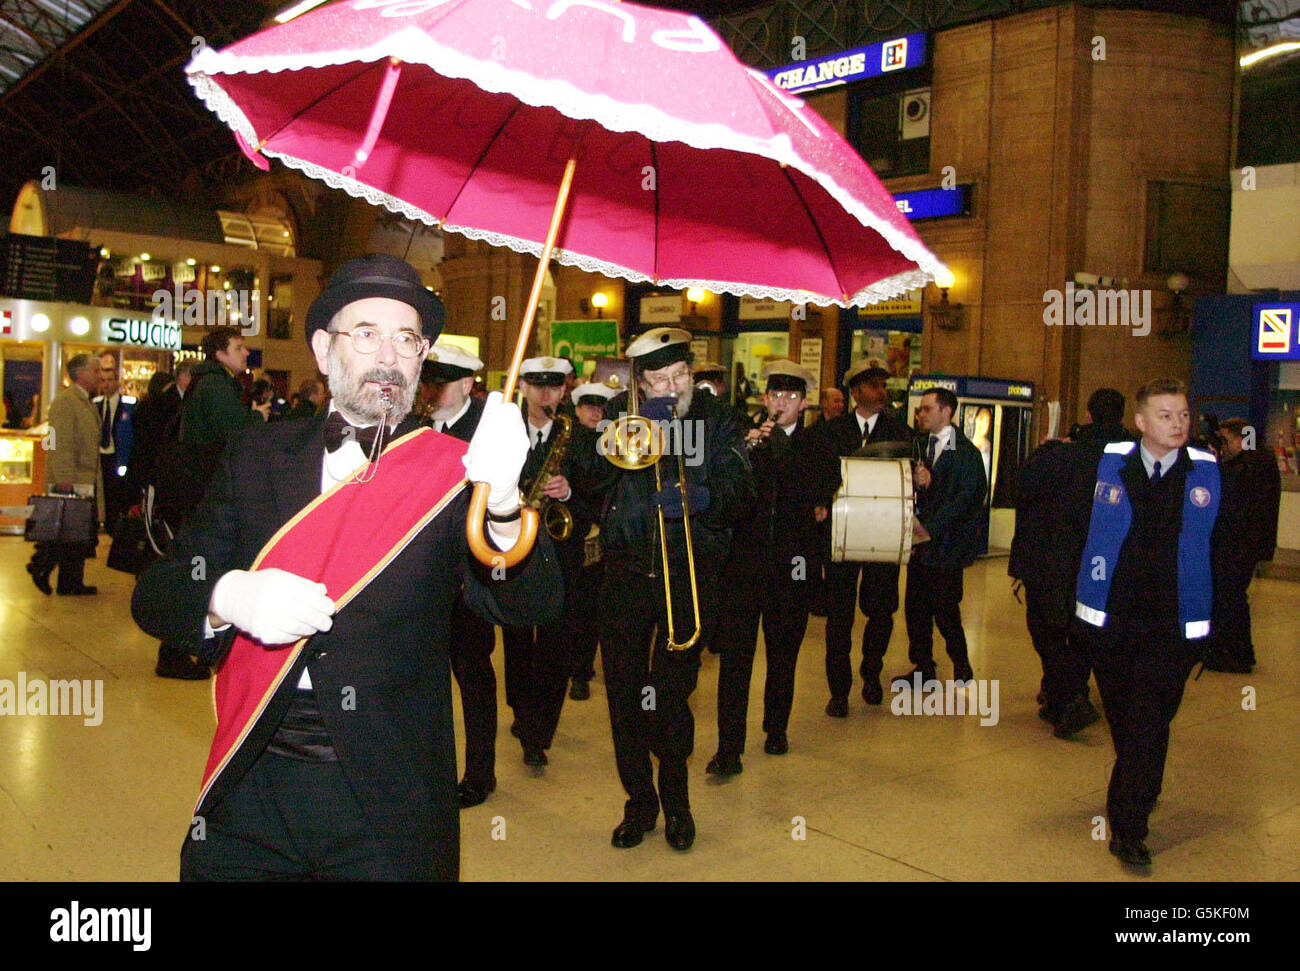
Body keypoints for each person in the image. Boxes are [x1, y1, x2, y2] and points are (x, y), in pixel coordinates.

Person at [131, 253, 562, 881]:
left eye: (406, 338)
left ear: (423, 359)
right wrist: (227, 595)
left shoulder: (456, 474)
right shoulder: (258, 453)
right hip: (255, 783)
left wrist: (502, 504)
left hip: (390, 800)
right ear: (322, 349)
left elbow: (531, 604)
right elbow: (159, 593)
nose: (388, 355)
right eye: (366, 333)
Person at [580, 327, 755, 851]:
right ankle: (639, 802)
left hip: (689, 571)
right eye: (659, 380)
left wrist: (706, 498)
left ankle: (676, 801)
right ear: (640, 381)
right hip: (627, 572)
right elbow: (588, 477)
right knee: (625, 693)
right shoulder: (619, 411)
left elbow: (742, 487)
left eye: (680, 376)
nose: (672, 388)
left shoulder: (719, 418)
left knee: (670, 697)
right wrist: (625, 435)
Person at [1071, 378, 1221, 868]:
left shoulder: (1205, 474)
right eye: (1165, 415)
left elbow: (1224, 545)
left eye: (1182, 415)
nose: (1178, 424)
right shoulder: (1109, 464)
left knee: (1151, 723)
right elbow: (1079, 533)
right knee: (1125, 721)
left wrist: (1213, 619)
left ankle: (1130, 826)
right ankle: (1136, 784)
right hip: (1114, 621)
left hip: (1170, 625)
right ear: (1140, 422)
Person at [709, 361, 836, 772]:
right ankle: (729, 746)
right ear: (764, 399)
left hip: (792, 569)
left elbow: (816, 492)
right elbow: (724, 491)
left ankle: (775, 728)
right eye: (776, 397)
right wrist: (747, 449)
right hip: (743, 567)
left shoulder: (819, 443)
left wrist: (779, 447)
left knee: (783, 654)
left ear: (804, 403)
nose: (782, 404)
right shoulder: (744, 436)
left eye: (791, 398)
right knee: (735, 660)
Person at [1011, 388, 1129, 737]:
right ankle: (1064, 695)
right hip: (1108, 564)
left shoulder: (1064, 455)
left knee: (1047, 630)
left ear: (1089, 415)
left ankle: (1069, 696)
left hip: (1054, 562)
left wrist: (1048, 448)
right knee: (1085, 633)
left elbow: (1022, 486)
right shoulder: (1134, 460)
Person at [502, 356, 600, 768]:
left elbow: (598, 499)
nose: (545, 394)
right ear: (523, 387)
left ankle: (540, 730)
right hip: (515, 552)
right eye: (537, 385)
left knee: (557, 646)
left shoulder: (579, 438)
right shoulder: (504, 434)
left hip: (561, 553)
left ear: (565, 390)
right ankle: (522, 711)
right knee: (518, 643)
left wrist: (570, 492)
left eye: (554, 386)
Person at [419, 341, 502, 808]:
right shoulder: (415, 426)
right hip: (423, 572)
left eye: (440, 383)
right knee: (424, 677)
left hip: (467, 571)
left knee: (473, 675)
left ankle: (479, 771)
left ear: (468, 384)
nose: (431, 391)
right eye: (427, 382)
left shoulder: (485, 430)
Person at [818, 361, 912, 713]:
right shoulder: (831, 431)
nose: (880, 391)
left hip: (883, 536)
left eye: (882, 385)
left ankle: (872, 674)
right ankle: (839, 690)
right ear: (855, 392)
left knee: (881, 610)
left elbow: (909, 481)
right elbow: (818, 475)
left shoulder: (899, 432)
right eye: (872, 385)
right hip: (842, 535)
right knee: (839, 616)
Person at [897, 387, 986, 687]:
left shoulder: (966, 454)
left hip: (946, 546)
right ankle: (923, 666)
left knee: (946, 609)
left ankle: (961, 665)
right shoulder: (918, 446)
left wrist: (931, 527)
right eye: (920, 409)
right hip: (919, 547)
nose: (921, 414)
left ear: (946, 412)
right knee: (916, 609)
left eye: (927, 409)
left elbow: (967, 498)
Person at [1204, 417, 1280, 673]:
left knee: (1231, 596)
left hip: (1240, 543)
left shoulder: (1251, 464)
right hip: (1244, 542)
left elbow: (1233, 496)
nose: (1225, 447)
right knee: (1230, 596)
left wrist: (1219, 461)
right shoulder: (1259, 460)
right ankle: (1229, 648)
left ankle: (1237, 652)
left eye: (1226, 440)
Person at [28, 354, 102, 597]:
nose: (99, 375)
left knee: (77, 533)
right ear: (80, 373)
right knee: (68, 531)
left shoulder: (86, 402)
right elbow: (59, 443)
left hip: (85, 477)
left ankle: (69, 581)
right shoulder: (65, 402)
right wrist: (63, 477)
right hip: (73, 478)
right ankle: (41, 565)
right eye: (95, 370)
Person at [567, 379, 618, 701]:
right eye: (589, 406)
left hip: (607, 533)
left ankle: (583, 670)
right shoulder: (569, 439)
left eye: (601, 407)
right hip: (576, 531)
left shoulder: (615, 441)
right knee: (577, 609)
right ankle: (577, 671)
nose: (594, 412)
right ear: (577, 409)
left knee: (596, 610)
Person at [94, 351, 135, 535]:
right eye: (102, 380)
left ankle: (113, 526)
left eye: (109, 380)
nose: (106, 384)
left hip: (117, 457)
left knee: (115, 494)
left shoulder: (128, 405)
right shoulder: (95, 404)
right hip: (100, 455)